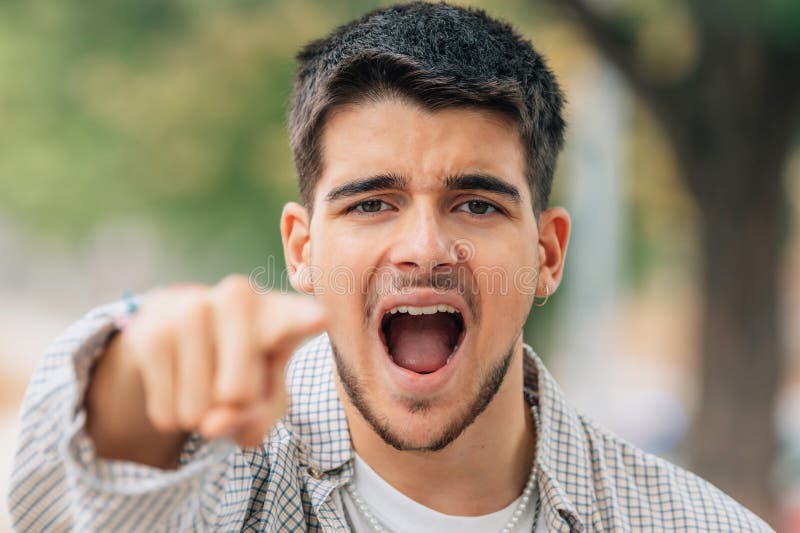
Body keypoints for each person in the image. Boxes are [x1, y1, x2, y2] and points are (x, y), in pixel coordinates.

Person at [8, 2, 773, 532]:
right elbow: (74, 493)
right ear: (301, 248)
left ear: (547, 253)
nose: (423, 248)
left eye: (476, 204)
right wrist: (141, 371)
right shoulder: (218, 483)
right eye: (372, 203)